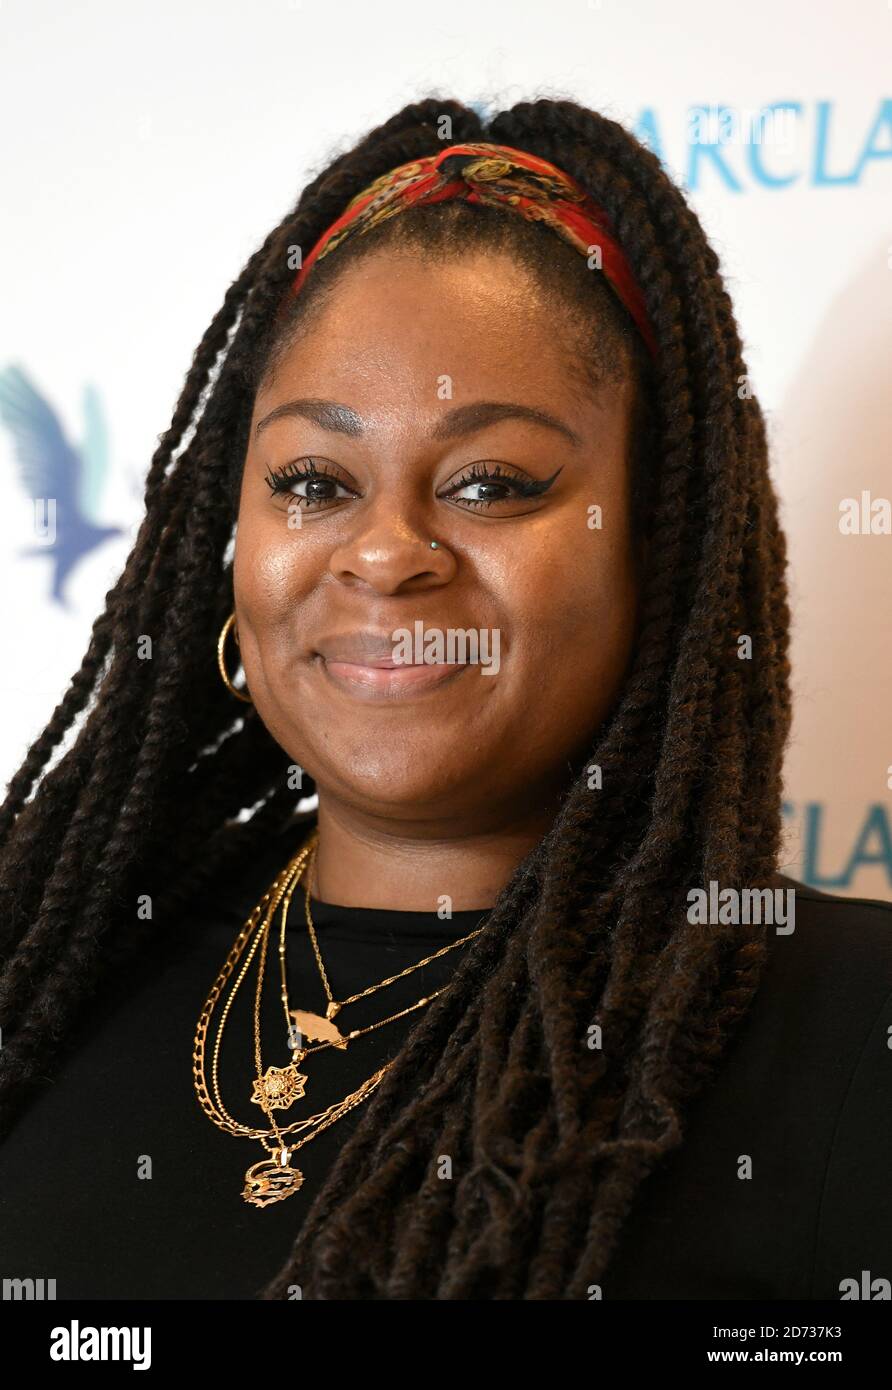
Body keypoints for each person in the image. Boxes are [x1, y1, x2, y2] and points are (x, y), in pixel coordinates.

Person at [1, 96, 890, 1302]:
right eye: (314, 478)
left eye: (492, 482)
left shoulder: (849, 1033)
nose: (383, 552)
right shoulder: (43, 965)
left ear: (658, 548)